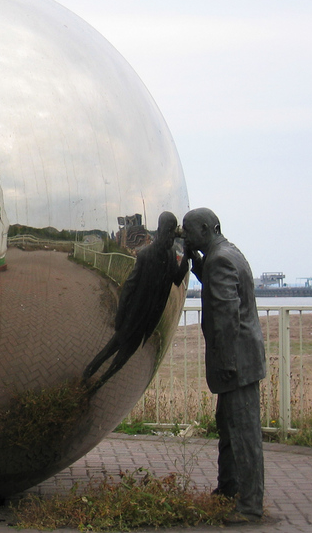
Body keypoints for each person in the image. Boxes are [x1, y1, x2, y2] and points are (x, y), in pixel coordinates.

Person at [182, 207, 266, 522]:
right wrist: (196, 263)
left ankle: (250, 505)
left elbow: (227, 315)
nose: (186, 236)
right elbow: (219, 287)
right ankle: (229, 488)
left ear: (206, 228)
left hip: (237, 361)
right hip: (243, 357)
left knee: (243, 433)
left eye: (189, 231)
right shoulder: (226, 253)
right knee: (230, 428)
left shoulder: (220, 260)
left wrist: (227, 361)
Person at [83, 211, 189, 390]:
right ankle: (86, 375)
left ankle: (98, 385)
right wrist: (120, 316)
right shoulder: (146, 255)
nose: (171, 235)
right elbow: (129, 288)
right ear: (162, 230)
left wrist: (187, 255)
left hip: (147, 322)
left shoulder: (171, 255)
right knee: (109, 350)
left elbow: (177, 279)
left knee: (122, 359)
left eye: (173, 231)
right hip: (133, 318)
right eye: (169, 231)